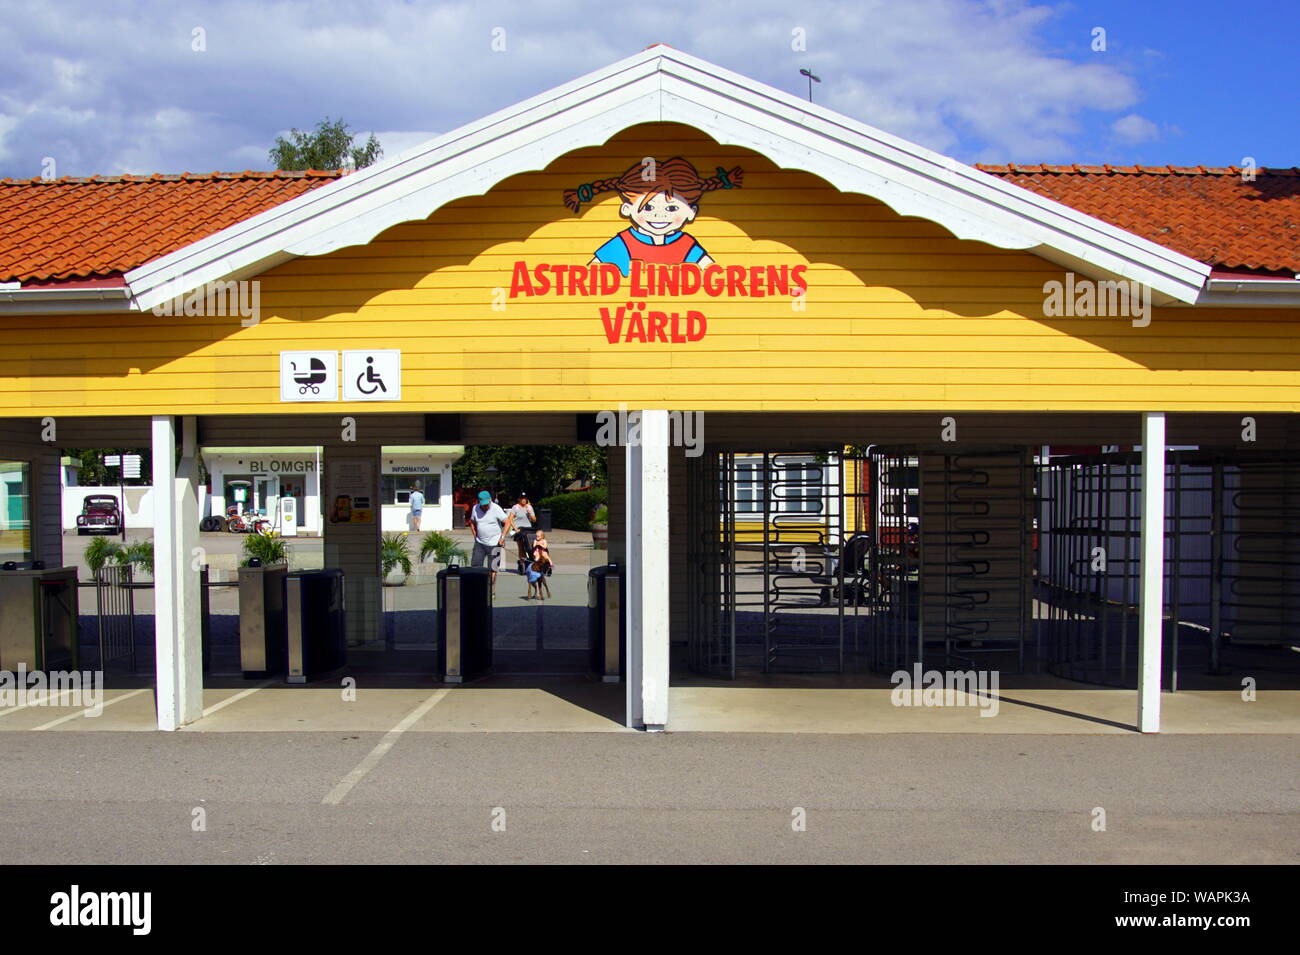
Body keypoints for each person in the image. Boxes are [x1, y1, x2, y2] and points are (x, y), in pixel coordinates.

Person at [562, 157, 743, 276]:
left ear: (691, 212)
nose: (659, 214)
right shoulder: (623, 243)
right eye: (647, 207)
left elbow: (714, 275)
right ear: (626, 209)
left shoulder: (686, 244)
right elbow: (590, 276)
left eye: (672, 208)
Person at [468, 489, 512, 596]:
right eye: (482, 504)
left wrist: (502, 537)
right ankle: (477, 590)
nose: (485, 506)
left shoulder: (496, 508)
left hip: (495, 543)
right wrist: (475, 536)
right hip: (480, 543)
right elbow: (472, 522)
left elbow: (507, 522)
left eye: (486, 504)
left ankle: (491, 591)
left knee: (493, 569)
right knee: (475, 567)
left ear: (490, 500)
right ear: (479, 502)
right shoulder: (475, 508)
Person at [509, 492, 537, 575]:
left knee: (531, 546)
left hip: (528, 529)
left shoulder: (529, 507)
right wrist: (515, 529)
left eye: (525, 498)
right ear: (519, 499)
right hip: (519, 529)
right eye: (522, 498)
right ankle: (522, 563)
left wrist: (530, 514)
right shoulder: (515, 507)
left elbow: (534, 520)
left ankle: (531, 562)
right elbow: (510, 519)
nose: (523, 500)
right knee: (521, 547)